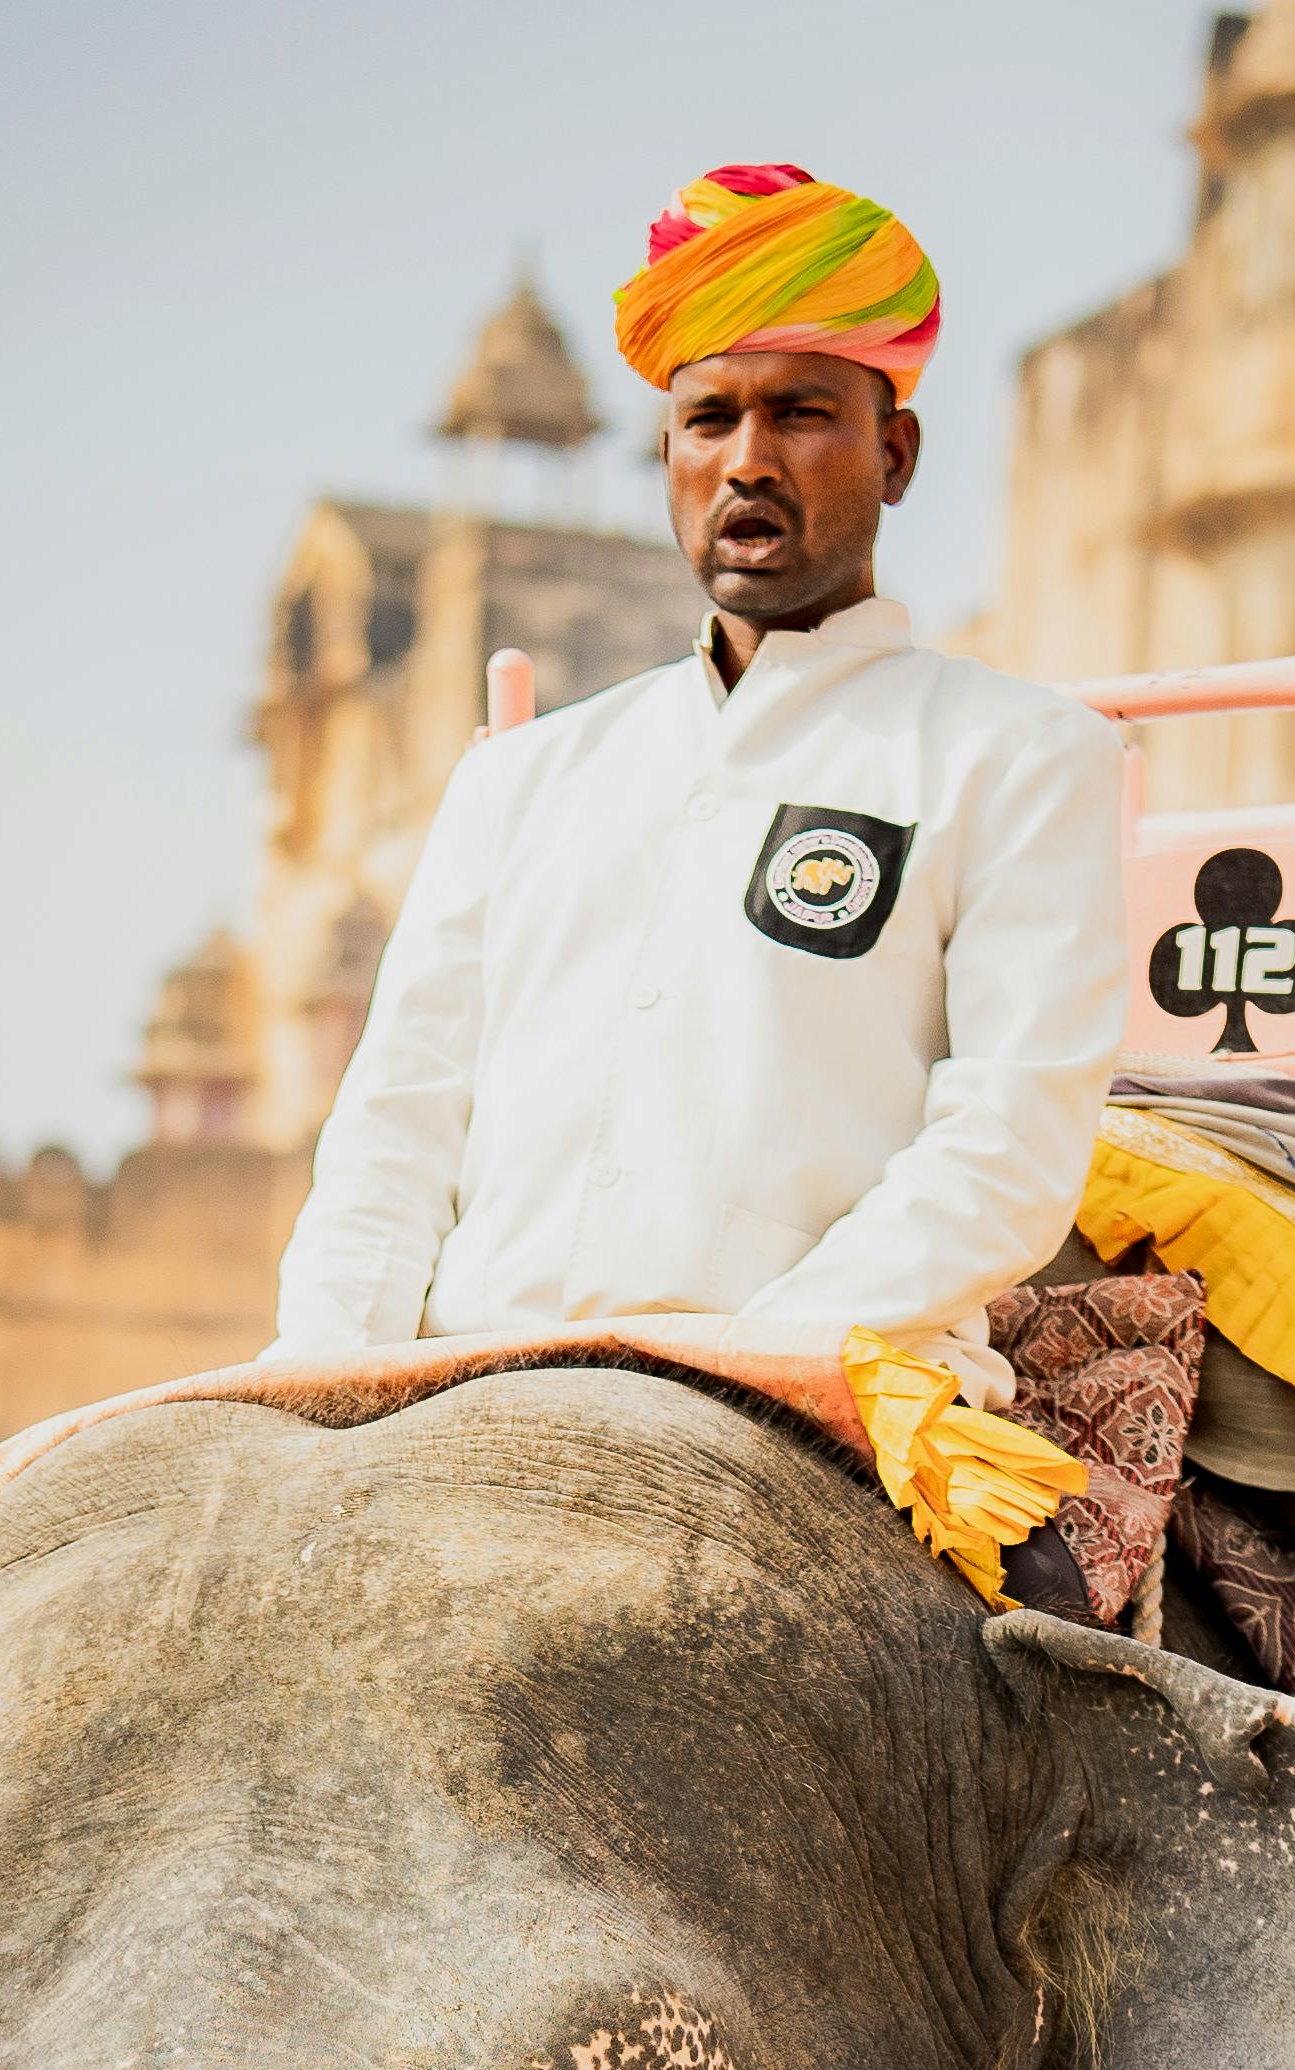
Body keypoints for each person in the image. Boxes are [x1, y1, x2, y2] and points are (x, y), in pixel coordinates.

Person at [264, 164, 1126, 1409]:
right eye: (710, 421)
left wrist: (740, 1370)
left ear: (896, 452)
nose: (748, 461)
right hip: (457, 1393)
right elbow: (394, 1132)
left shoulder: (1018, 754)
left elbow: (1008, 1148)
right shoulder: (523, 777)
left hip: (810, 1396)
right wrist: (318, 1383)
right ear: (666, 454)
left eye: (801, 416)